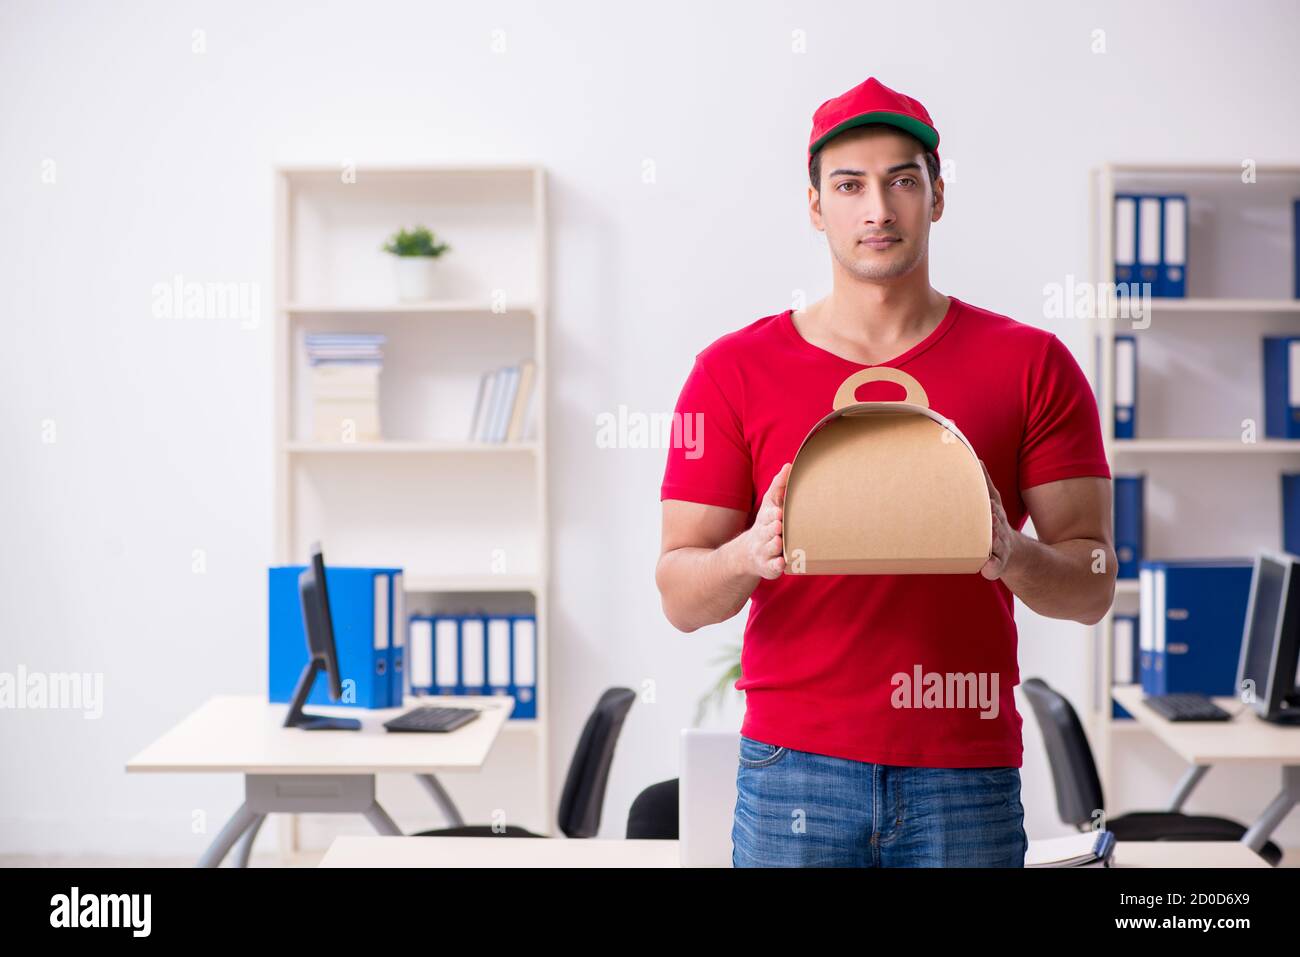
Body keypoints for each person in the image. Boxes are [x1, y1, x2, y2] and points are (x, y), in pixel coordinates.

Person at [655, 76, 1115, 867]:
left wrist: (1014, 552)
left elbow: (1094, 579)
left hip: (962, 772)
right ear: (814, 205)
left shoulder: (1032, 365)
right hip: (792, 770)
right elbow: (678, 591)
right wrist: (749, 551)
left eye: (903, 180)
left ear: (937, 197)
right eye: (850, 184)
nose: (878, 208)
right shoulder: (731, 372)